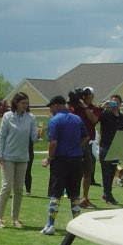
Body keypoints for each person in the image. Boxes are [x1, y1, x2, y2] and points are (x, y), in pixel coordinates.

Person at [40, 95, 87, 235]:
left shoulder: (55, 120)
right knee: (75, 195)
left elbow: (53, 143)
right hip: (77, 160)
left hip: (60, 161)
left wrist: (49, 158)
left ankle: (50, 225)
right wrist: (76, 147)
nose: (50, 110)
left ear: (57, 105)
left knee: (56, 194)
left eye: (51, 107)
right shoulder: (77, 119)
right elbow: (86, 137)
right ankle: (78, 227)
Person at [0, 92, 36, 229]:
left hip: (23, 157)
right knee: (6, 186)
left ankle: (15, 218)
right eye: (23, 103)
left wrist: (39, 134)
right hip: (8, 157)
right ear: (16, 103)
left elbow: (33, 138)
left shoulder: (31, 118)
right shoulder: (7, 116)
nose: (26, 105)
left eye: (27, 103)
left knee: (19, 189)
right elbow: (1, 137)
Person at [73, 87, 101, 208]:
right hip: (76, 142)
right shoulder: (75, 108)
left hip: (88, 143)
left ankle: (85, 197)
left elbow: (94, 120)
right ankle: (74, 197)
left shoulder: (95, 108)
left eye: (89, 94)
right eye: (85, 94)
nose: (87, 96)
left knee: (88, 171)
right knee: (75, 172)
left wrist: (85, 107)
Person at [98, 94, 123, 205]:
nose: (114, 104)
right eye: (112, 102)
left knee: (112, 172)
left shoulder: (122, 117)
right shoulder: (105, 114)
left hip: (116, 147)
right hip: (105, 146)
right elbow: (96, 118)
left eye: (116, 102)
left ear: (120, 104)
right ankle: (108, 195)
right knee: (106, 171)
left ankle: (107, 194)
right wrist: (102, 107)